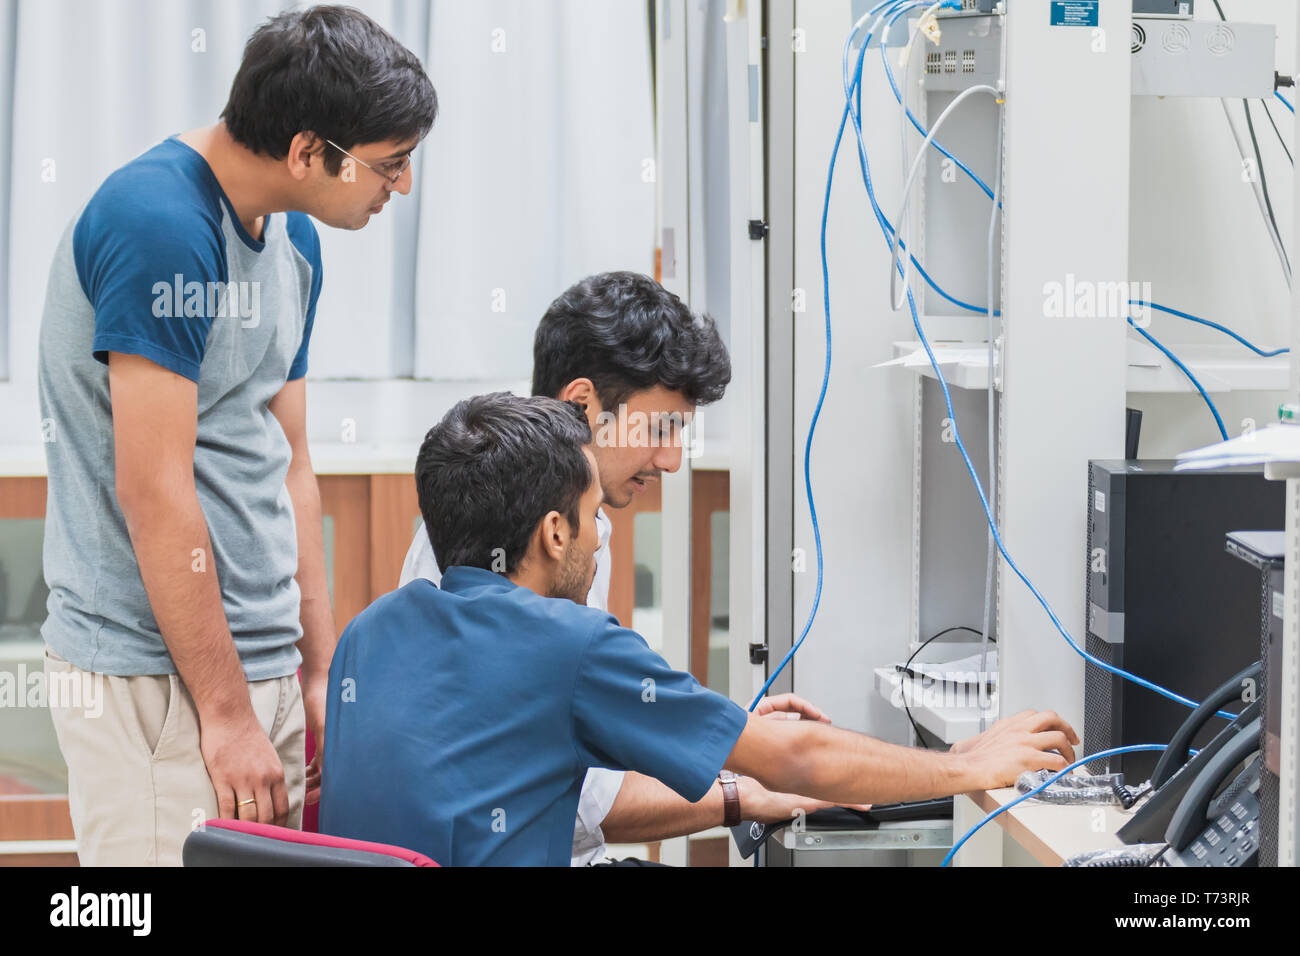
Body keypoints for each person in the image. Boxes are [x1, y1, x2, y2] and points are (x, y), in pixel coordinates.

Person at [322, 393, 1078, 866]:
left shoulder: (370, 632)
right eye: (594, 520)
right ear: (554, 532)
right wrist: (967, 762)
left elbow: (502, 766)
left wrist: (729, 748)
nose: (598, 540)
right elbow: (801, 758)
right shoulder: (567, 643)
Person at [37, 5, 437, 866]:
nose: (402, 187)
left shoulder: (294, 234)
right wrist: (223, 713)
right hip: (156, 679)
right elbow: (153, 491)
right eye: (390, 164)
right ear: (305, 152)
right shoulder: (159, 226)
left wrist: (321, 672)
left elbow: (288, 465)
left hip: (263, 660)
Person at [398, 270, 839, 865]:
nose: (673, 461)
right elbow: (592, 804)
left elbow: (571, 738)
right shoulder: (502, 539)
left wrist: (712, 737)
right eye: (660, 428)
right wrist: (745, 784)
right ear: (583, 405)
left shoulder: (573, 522)